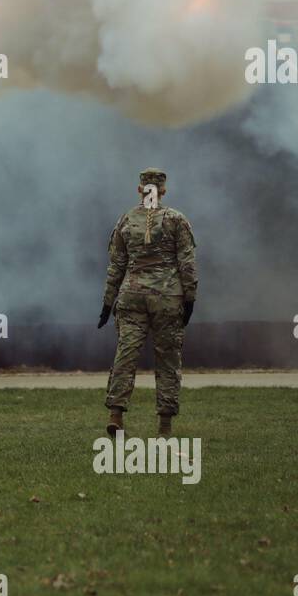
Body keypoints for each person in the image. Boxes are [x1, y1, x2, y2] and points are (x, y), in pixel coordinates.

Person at [98, 167, 198, 438]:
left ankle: (116, 416)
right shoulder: (176, 220)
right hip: (167, 297)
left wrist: (108, 303)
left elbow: (116, 266)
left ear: (140, 189)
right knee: (167, 359)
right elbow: (187, 264)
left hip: (131, 296)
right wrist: (190, 298)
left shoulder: (126, 220)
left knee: (125, 356)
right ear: (163, 190)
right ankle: (164, 427)